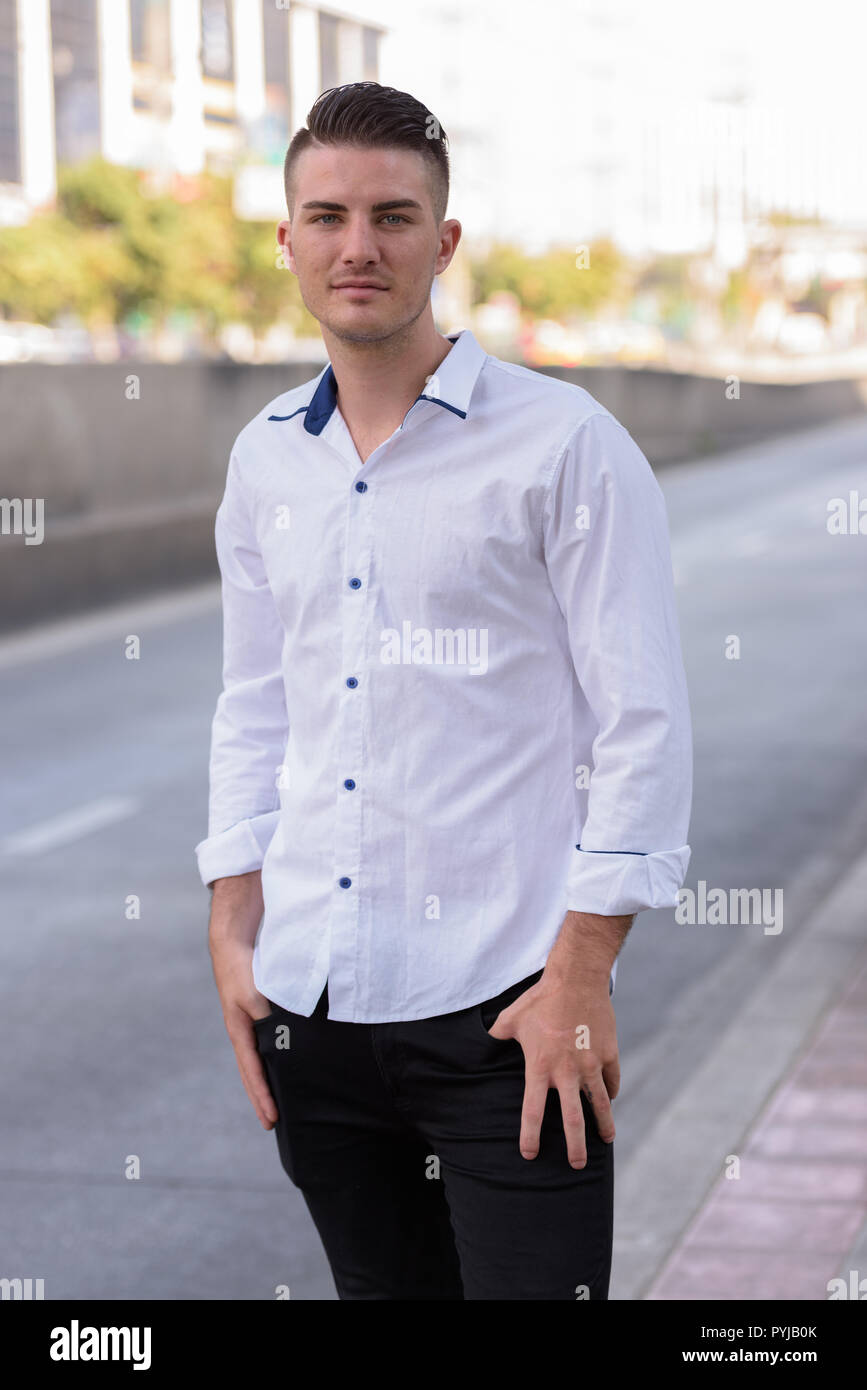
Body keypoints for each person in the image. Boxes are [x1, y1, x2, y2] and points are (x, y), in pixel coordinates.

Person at [195, 81, 693, 1301]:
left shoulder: (563, 443)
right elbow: (255, 700)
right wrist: (229, 912)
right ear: (288, 240)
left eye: (392, 216)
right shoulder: (266, 457)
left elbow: (645, 720)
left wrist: (582, 969)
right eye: (326, 216)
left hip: (510, 1013)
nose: (357, 245)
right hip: (314, 1007)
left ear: (445, 240)